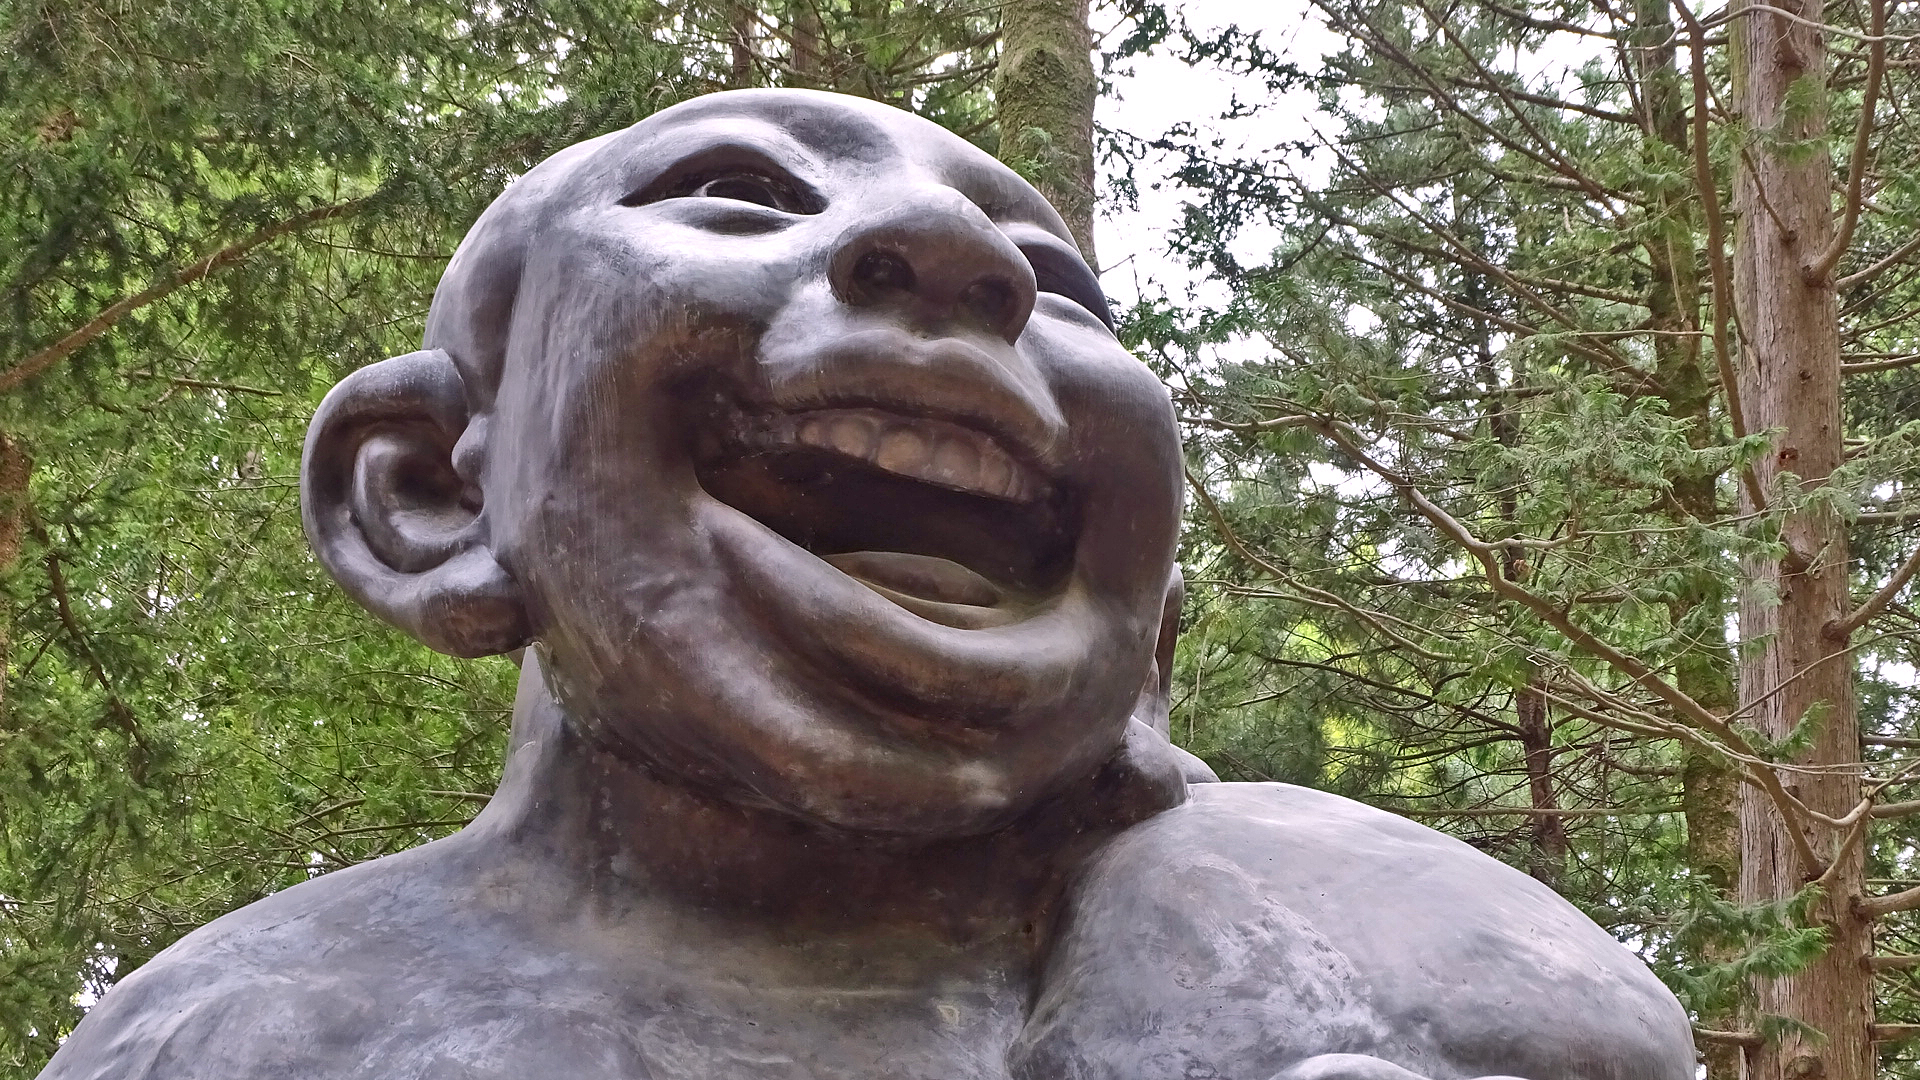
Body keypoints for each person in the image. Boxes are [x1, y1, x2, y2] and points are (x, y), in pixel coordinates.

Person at [39, 89, 1694, 1080]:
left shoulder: (1365, 962)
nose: (967, 271)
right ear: (419, 501)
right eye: (738, 193)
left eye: (1054, 286)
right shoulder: (252, 1038)